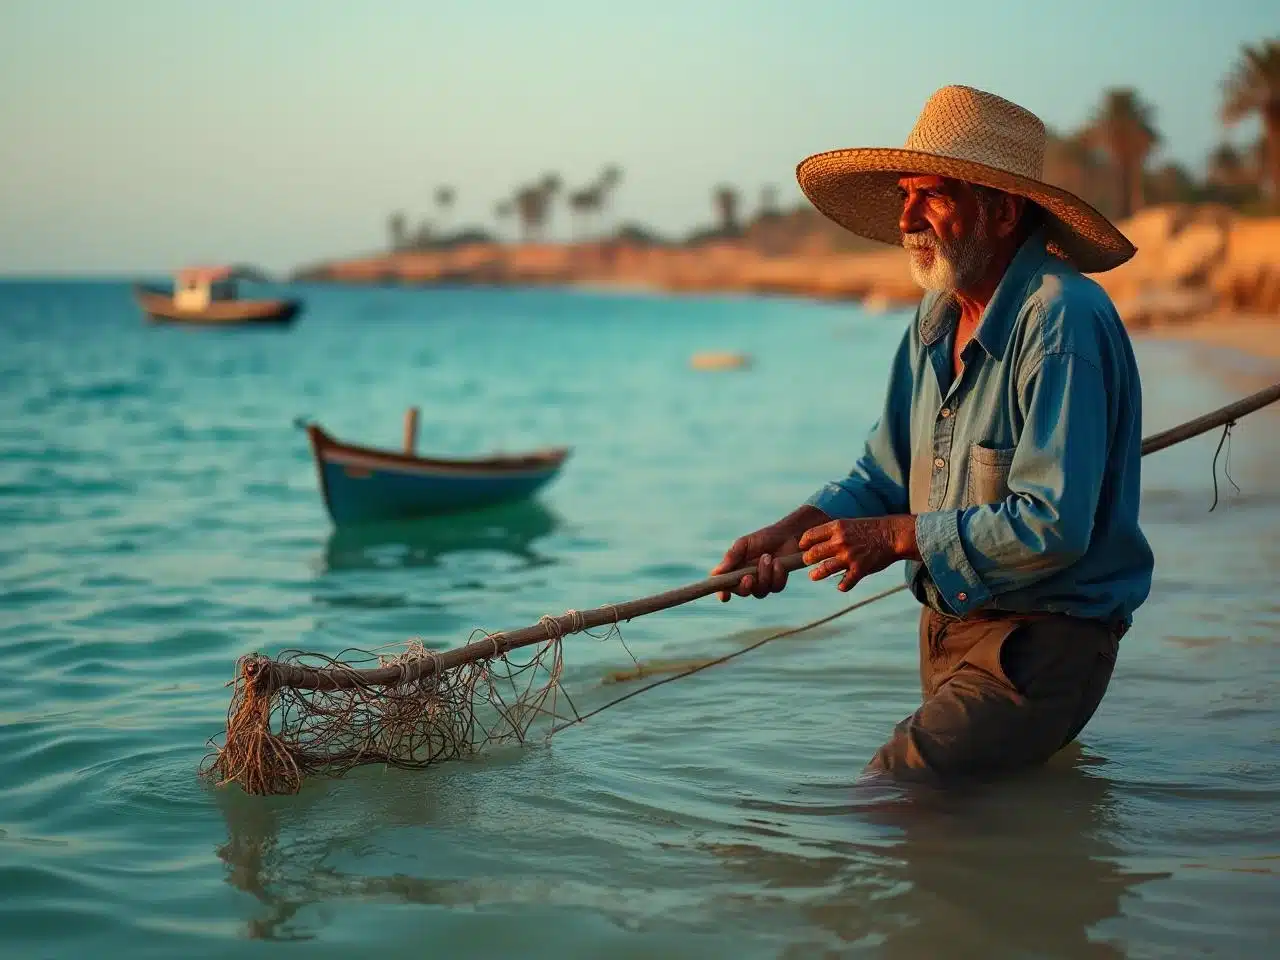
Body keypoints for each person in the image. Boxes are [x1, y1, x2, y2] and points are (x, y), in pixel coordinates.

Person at [711, 85, 1155, 782]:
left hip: (1043, 642)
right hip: (951, 633)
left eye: (935, 197)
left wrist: (894, 537)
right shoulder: (935, 318)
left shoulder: (1062, 320)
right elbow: (883, 475)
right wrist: (791, 533)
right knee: (971, 845)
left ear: (1003, 210)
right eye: (905, 196)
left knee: (891, 792)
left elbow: (1053, 526)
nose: (909, 218)